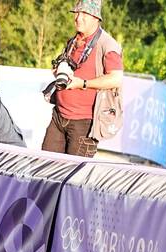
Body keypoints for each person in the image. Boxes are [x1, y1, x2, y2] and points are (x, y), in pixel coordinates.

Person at [40, 0, 124, 157]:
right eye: (77, 13)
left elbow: (116, 79)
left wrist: (83, 83)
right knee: (44, 169)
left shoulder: (107, 44)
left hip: (84, 123)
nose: (78, 18)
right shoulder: (73, 40)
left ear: (96, 17)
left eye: (84, 14)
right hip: (59, 117)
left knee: (74, 178)